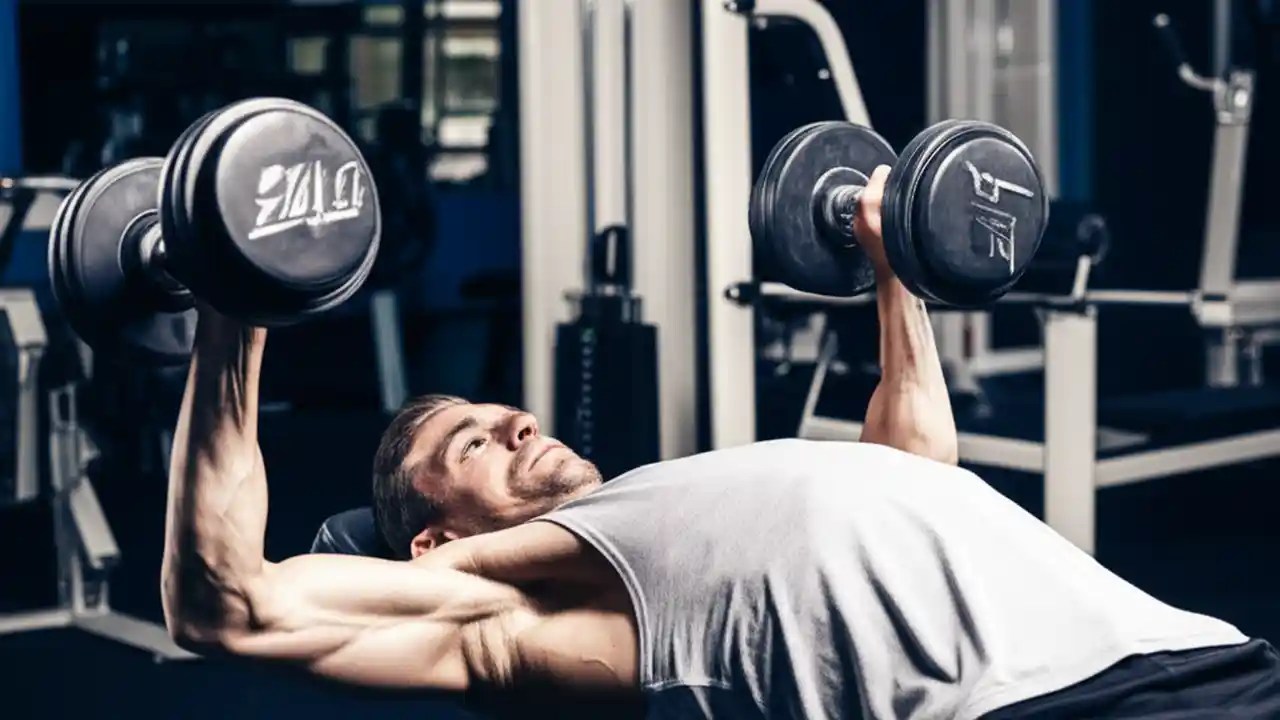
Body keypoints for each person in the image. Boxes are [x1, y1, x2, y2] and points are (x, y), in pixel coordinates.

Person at [160, 166, 1278, 719]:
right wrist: (237, 299)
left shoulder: (653, 496)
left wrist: (890, 264)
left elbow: (912, 467)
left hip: (1204, 657)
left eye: (506, 416)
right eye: (470, 447)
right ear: (431, 541)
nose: (515, 421)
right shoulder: (501, 612)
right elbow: (228, 606)